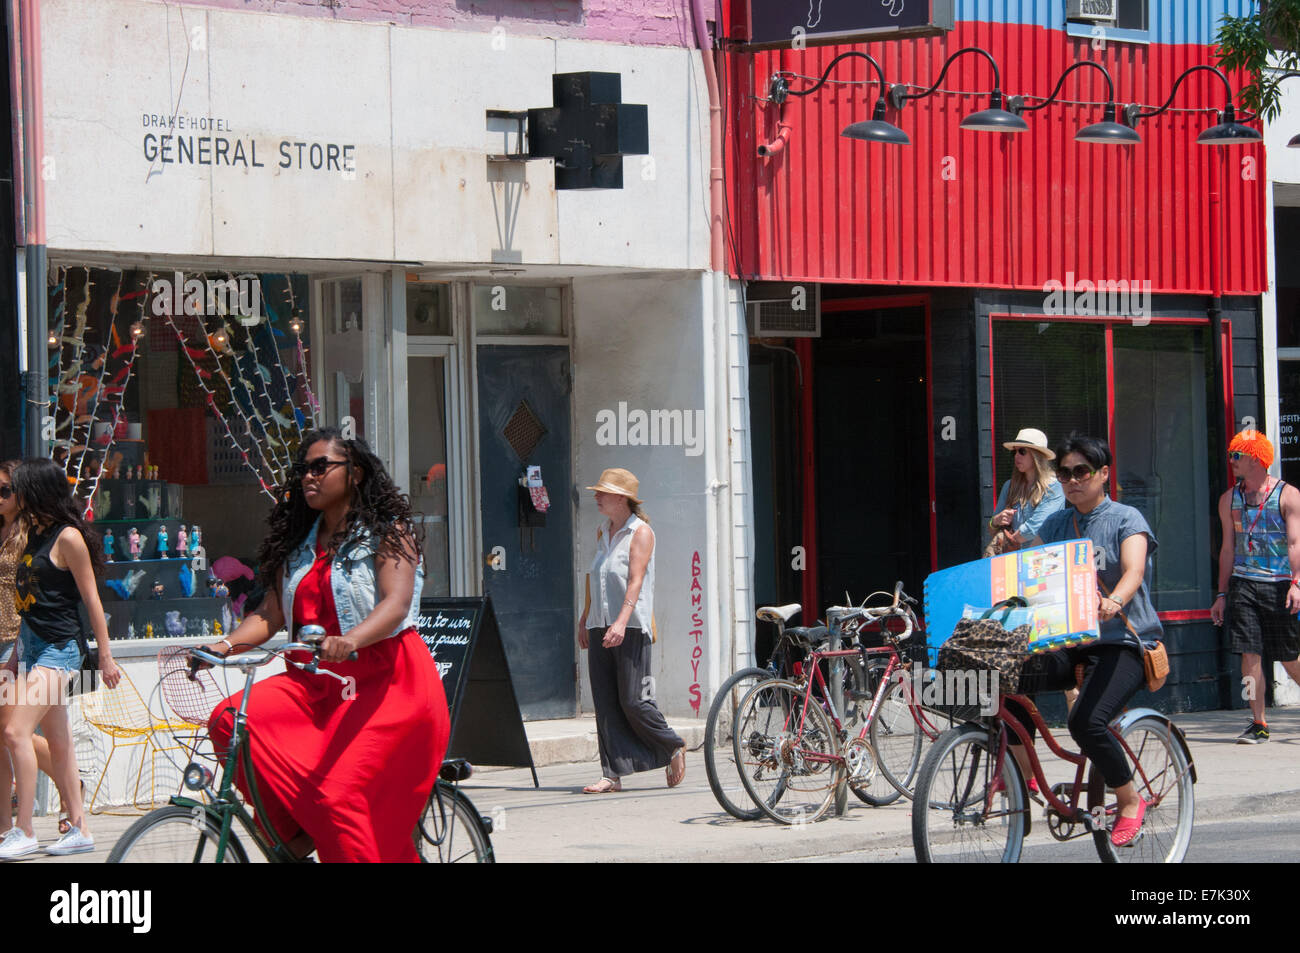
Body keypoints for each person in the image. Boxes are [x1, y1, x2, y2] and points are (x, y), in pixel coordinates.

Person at [200, 428, 449, 862]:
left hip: (388, 685)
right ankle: (298, 832)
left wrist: (349, 639)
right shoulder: (297, 542)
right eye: (303, 470)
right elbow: (269, 615)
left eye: (321, 467)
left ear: (353, 473)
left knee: (338, 797)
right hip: (316, 684)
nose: (309, 478)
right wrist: (223, 646)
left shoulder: (388, 532)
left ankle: (326, 826)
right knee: (230, 720)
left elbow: (396, 604)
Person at [1017, 433, 1161, 847]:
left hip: (1123, 641)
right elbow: (1034, 576)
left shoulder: (1126, 518)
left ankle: (1130, 800)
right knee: (1001, 687)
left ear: (1102, 474)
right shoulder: (1056, 523)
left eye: (1081, 471)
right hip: (1070, 639)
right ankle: (1019, 777)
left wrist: (1114, 601)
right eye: (1064, 473)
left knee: (1085, 721)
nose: (1072, 480)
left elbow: (1133, 570)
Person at [0, 457, 121, 859]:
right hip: (33, 647)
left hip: (61, 649)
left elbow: (91, 599)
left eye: (17, 487)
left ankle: (25, 829)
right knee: (60, 742)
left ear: (36, 491)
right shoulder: (32, 535)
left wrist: (105, 657)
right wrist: (17, 654)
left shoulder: (68, 538)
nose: (12, 495)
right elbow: (27, 605)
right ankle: (80, 827)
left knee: (15, 732)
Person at [577, 468, 685, 794]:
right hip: (600, 624)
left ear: (621, 498)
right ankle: (612, 774)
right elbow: (594, 579)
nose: (596, 497)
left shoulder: (641, 533)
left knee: (634, 700)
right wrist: (585, 619)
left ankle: (672, 745)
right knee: (606, 701)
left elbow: (635, 580)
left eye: (602, 492)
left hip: (631, 626)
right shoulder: (602, 531)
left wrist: (622, 622)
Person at [0, 460, 77, 838]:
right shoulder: (4, 529)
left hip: (22, 639)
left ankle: (56, 803)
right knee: (17, 732)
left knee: (16, 731)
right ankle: (8, 825)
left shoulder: (37, 533)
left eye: (4, 490)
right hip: (14, 641)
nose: (0, 497)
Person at [1209, 429, 1300, 744]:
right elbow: (1227, 549)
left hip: (1279, 585)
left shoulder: (1287, 495)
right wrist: (1221, 594)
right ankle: (1258, 722)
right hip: (1244, 584)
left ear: (1256, 459)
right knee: (1249, 653)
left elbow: (1295, 542)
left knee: (1289, 657)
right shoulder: (1229, 499)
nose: (1231, 461)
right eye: (1231, 454)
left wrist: (1297, 583)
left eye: (1237, 455)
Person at [986, 428, 1064, 556]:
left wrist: (1010, 541)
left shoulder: (1054, 486)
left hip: (1046, 560)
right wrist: (996, 521)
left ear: (1037, 455)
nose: (1016, 456)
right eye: (1014, 452)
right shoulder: (1009, 486)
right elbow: (991, 529)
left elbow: (1036, 527)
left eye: (1022, 451)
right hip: (1014, 560)